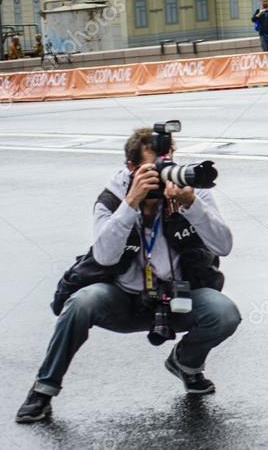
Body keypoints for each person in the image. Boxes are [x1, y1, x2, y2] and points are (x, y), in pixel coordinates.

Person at [15, 127, 239, 424]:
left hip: (176, 300)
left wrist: (192, 206)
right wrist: (131, 203)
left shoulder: (189, 189)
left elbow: (223, 245)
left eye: (166, 164)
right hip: (122, 299)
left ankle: (186, 364)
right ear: (131, 167)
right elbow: (105, 256)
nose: (161, 176)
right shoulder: (112, 198)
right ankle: (43, 390)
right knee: (80, 304)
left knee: (224, 313)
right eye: (152, 170)